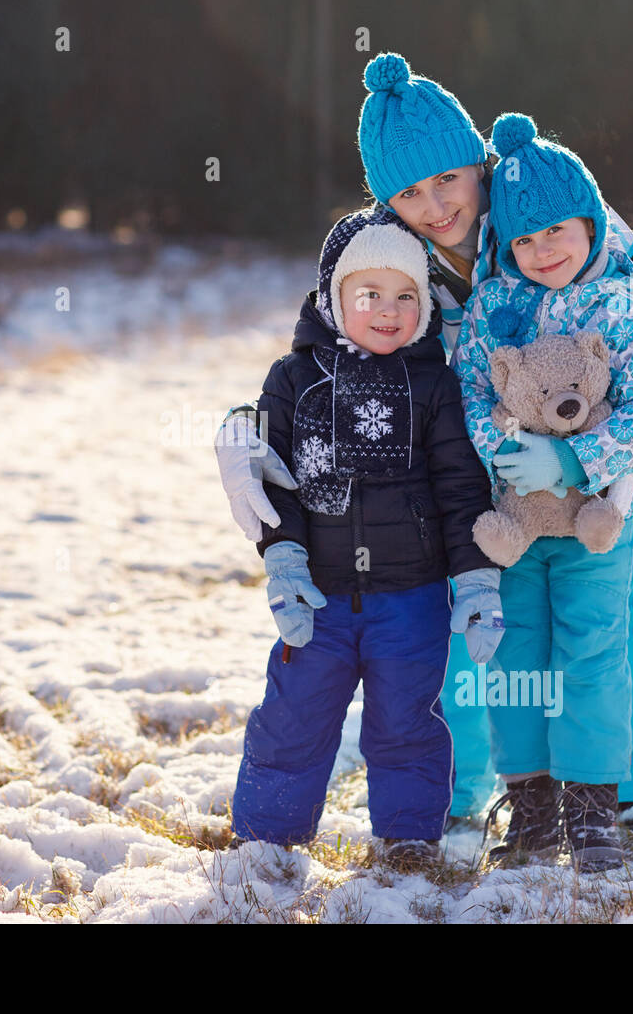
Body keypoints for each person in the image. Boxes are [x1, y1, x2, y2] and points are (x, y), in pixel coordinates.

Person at [216, 52, 633, 830]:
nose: (434, 206)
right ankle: (474, 789)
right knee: (476, 605)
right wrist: (245, 426)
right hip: (477, 445)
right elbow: (324, 345)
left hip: (608, 435)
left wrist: (603, 461)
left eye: (448, 180)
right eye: (408, 191)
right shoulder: (391, 252)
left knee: (622, 597)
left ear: (477, 162)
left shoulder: (546, 197)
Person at [229, 207, 504, 867]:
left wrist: (475, 578)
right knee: (293, 714)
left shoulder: (434, 385)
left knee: (407, 721)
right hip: (317, 597)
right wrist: (285, 561)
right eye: (369, 294)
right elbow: (274, 480)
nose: (389, 310)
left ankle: (408, 839)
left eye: (406, 295)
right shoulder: (293, 380)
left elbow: (460, 486)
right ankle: (268, 837)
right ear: (334, 297)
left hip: (410, 598)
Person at [452, 111, 633, 871]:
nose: (540, 251)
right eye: (522, 239)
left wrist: (574, 462)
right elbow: (472, 397)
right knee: (517, 657)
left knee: (593, 653)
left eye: (555, 231)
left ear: (590, 219)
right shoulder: (493, 304)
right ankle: (532, 804)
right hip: (515, 523)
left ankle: (592, 803)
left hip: (590, 523)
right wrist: (510, 453)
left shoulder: (631, 300)